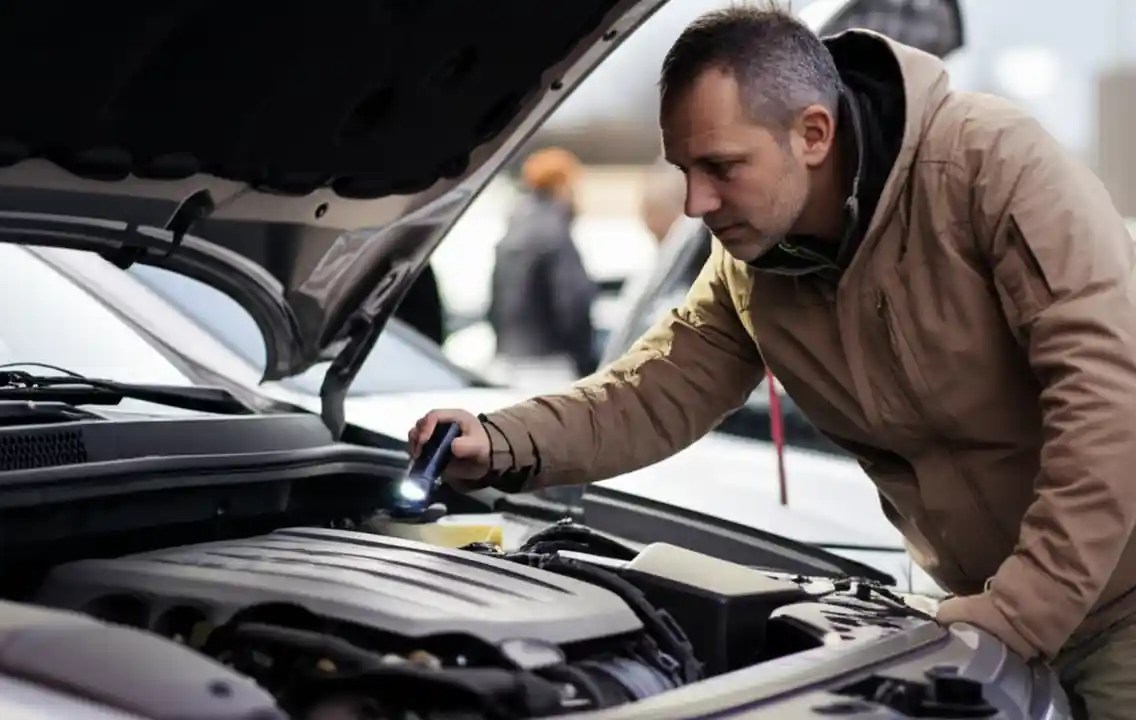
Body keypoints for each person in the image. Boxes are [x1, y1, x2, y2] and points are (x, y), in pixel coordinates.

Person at [410, 6, 1136, 717]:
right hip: (978, 611)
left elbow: (1109, 402)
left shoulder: (990, 166)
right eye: (685, 168)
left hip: (1119, 605)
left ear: (813, 133)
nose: (696, 201)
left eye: (721, 166)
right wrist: (499, 437)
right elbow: (651, 391)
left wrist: (1015, 615)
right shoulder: (751, 264)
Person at [487, 146, 599, 385]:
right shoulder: (555, 235)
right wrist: (587, 361)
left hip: (508, 362)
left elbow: (495, 305)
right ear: (561, 186)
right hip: (550, 366)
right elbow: (572, 304)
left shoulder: (511, 232)